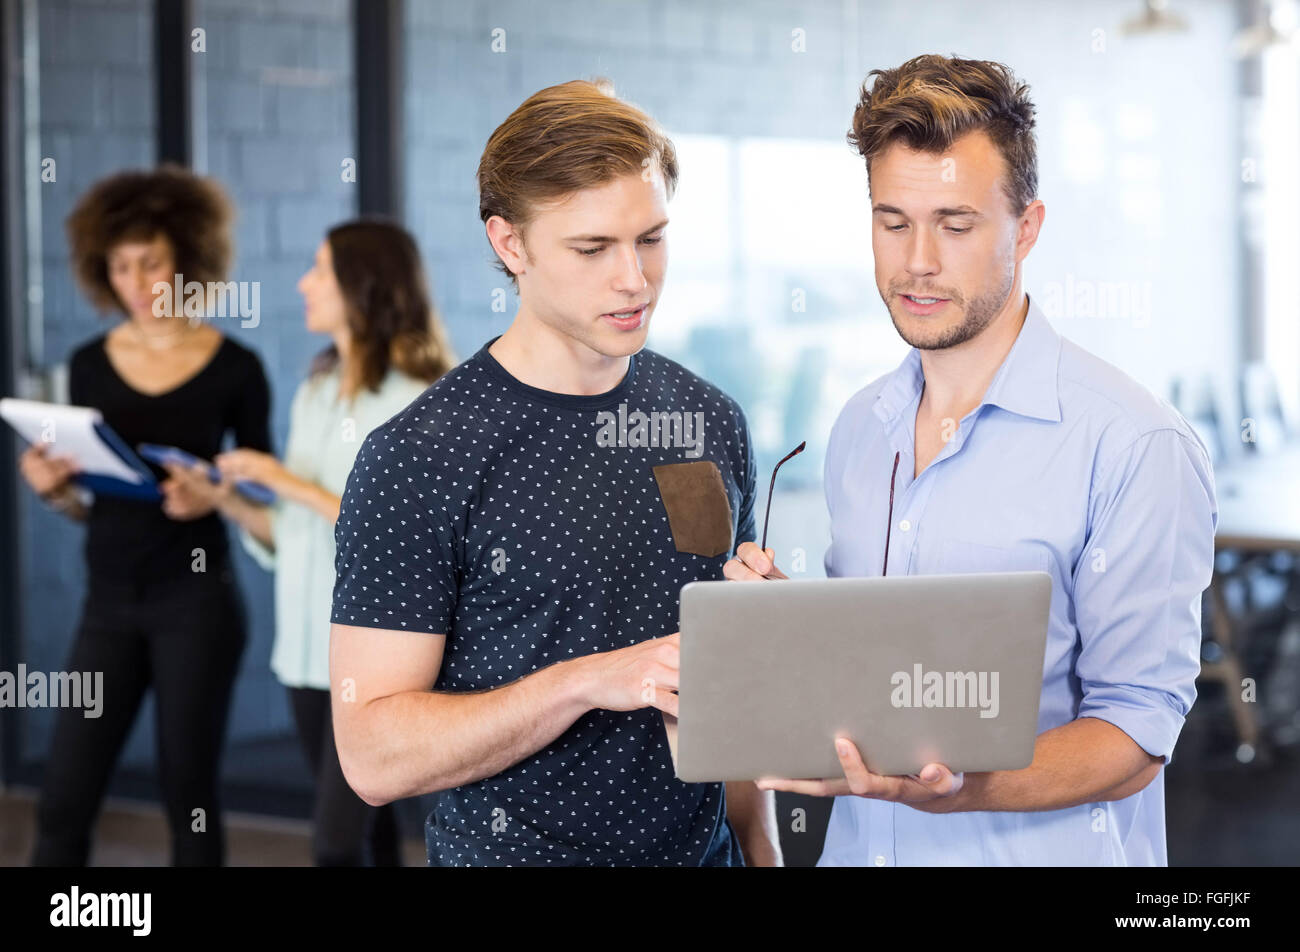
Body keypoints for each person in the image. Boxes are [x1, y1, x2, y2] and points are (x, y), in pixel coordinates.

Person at [724, 54, 1218, 866]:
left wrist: (961, 788)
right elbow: (881, 672)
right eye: (893, 222)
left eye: (955, 225)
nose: (918, 259)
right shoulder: (859, 427)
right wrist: (792, 636)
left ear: (1027, 227)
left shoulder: (1133, 445)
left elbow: (1136, 731)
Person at [329, 79, 781, 866]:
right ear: (510, 245)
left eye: (651, 239)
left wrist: (762, 849)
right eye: (592, 248)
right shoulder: (419, 456)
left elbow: (730, 697)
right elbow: (371, 756)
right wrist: (585, 682)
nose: (634, 279)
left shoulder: (709, 420)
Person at [172, 220, 453, 866]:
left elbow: (410, 538)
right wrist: (228, 501)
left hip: (380, 653)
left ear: (364, 286)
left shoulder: (423, 399)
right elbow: (291, 538)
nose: (303, 282)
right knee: (371, 831)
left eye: (320, 270)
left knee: (332, 845)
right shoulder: (316, 392)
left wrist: (286, 482)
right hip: (303, 654)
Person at [20, 164, 272, 866]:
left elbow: (262, 494)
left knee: (188, 797)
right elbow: (89, 506)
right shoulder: (87, 364)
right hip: (107, 607)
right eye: (120, 266)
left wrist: (213, 496)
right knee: (64, 798)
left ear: (188, 260)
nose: (135, 282)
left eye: (151, 262)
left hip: (196, 602)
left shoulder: (236, 367)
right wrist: (53, 490)